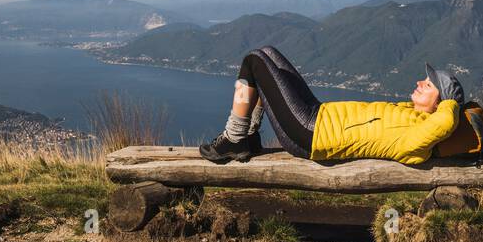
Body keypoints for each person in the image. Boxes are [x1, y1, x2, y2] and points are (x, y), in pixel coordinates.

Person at [199, 45, 466, 165]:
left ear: (442, 103)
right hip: (316, 113)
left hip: (310, 134)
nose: (421, 81)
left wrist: (452, 101)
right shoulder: (409, 114)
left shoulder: (417, 139)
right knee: (268, 53)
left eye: (429, 85)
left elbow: (444, 122)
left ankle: (235, 137)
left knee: (254, 61)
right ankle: (246, 138)